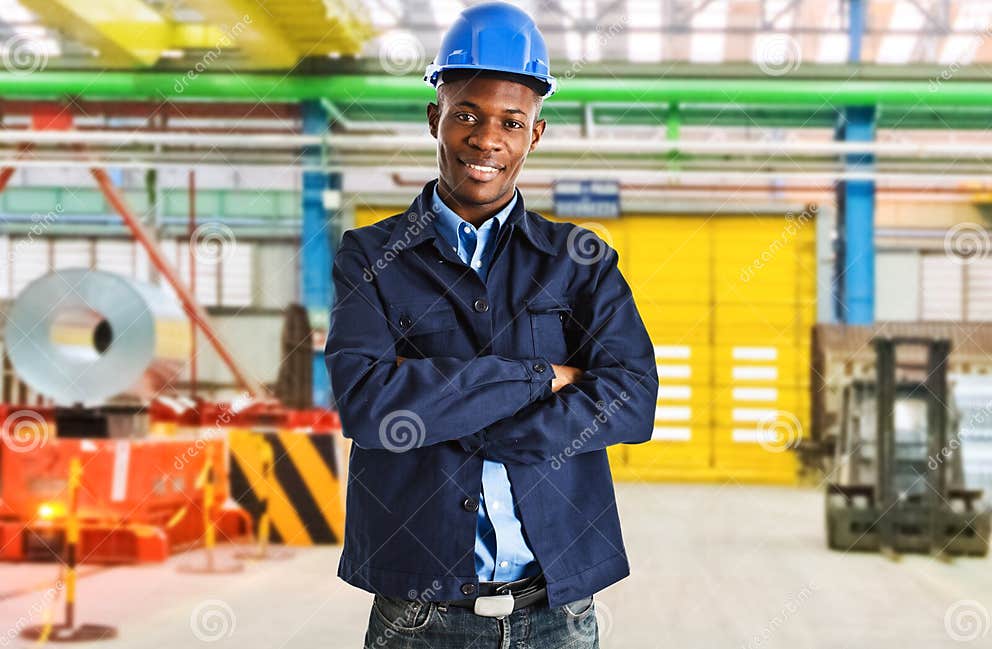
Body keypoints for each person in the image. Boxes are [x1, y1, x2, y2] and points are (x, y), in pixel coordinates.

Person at [324, 3, 659, 647]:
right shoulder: (370, 260)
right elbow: (368, 407)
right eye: (467, 115)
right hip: (418, 611)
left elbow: (633, 399)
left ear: (535, 134)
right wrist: (545, 377)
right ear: (435, 119)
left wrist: (457, 414)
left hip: (555, 608)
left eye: (511, 121)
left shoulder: (579, 261)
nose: (487, 139)